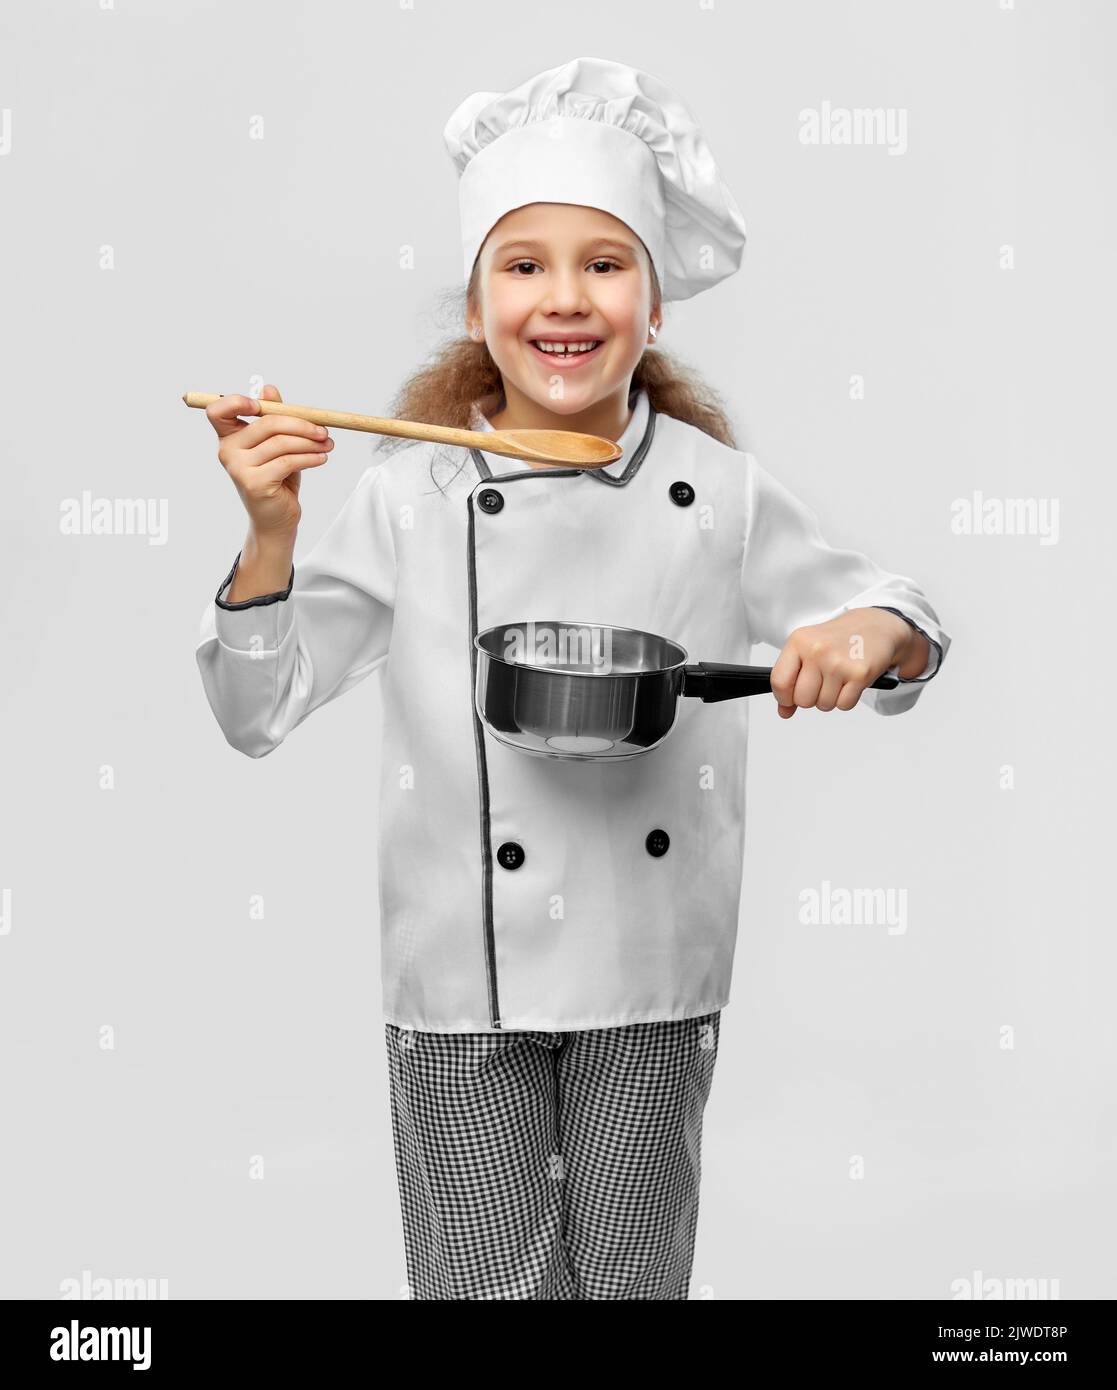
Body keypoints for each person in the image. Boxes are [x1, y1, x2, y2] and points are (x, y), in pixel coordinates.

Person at [194, 56, 951, 1300]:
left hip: (652, 977)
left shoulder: (714, 487)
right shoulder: (410, 494)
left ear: (654, 305)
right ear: (479, 300)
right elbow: (251, 709)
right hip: (456, 988)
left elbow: (904, 616)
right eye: (523, 262)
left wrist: (866, 640)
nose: (565, 298)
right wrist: (271, 530)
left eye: (604, 264)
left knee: (635, 1288)